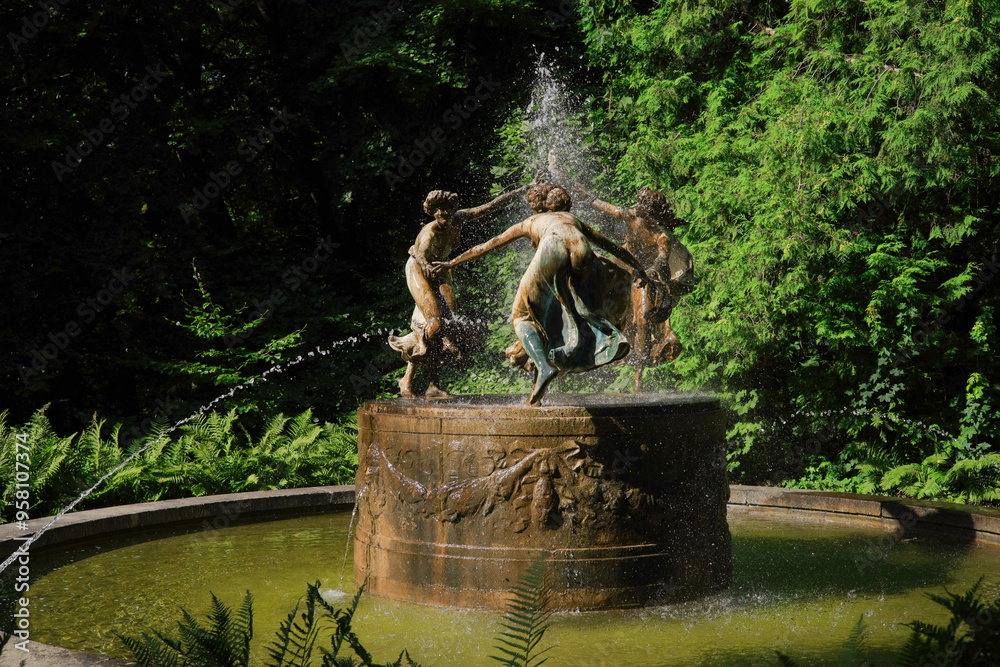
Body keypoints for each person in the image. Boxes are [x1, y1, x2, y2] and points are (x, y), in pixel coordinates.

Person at [431, 183, 659, 406]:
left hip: (555, 246)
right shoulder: (573, 220)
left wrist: (452, 263)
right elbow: (611, 245)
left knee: (520, 315)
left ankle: (544, 366)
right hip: (584, 254)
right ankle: (581, 351)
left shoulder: (532, 221)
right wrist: (638, 267)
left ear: (535, 208)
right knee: (563, 312)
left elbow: (489, 245)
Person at [390, 185, 527, 398]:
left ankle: (433, 386)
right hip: (419, 269)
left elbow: (491, 206)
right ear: (432, 212)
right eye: (437, 210)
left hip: (441, 268)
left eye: (446, 209)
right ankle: (407, 378)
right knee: (434, 324)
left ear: (453, 209)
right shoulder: (430, 231)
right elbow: (421, 255)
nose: (443, 213)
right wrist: (428, 268)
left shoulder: (460, 218)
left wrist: (523, 190)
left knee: (450, 322)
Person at [568, 180, 695, 392]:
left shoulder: (661, 235)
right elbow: (606, 207)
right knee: (595, 301)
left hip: (642, 275)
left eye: (644, 209)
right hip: (621, 267)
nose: (639, 210)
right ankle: (586, 345)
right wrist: (586, 197)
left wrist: (652, 271)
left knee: (644, 319)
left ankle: (639, 375)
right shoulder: (631, 216)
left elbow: (662, 258)